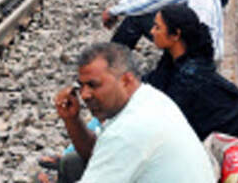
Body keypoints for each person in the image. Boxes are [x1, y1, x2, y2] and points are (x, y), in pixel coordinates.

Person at [45, 42, 216, 183]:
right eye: (81, 86)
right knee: (72, 163)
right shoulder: (148, 97)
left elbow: (115, 146)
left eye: (93, 85)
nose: (84, 95)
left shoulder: (128, 130)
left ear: (126, 80)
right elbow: (95, 152)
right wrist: (72, 120)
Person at [146, 4, 238, 144]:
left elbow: (171, 116)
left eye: (157, 27)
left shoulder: (191, 77)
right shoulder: (173, 60)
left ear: (176, 35)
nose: (152, 31)